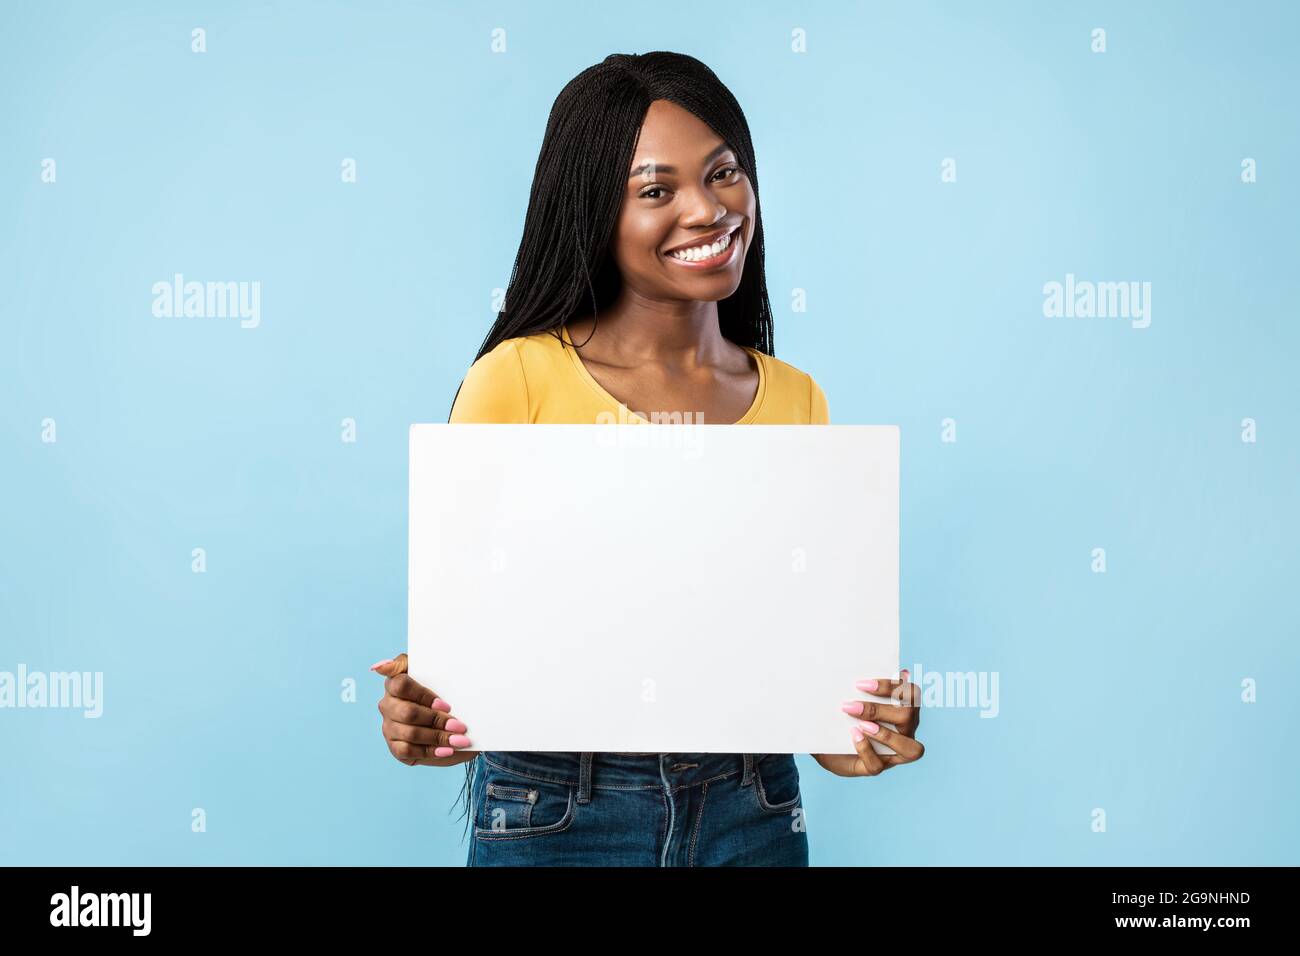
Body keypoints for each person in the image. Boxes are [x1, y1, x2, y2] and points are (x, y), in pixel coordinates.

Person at [373, 51, 924, 866]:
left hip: (753, 806)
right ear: (594, 211)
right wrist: (422, 716)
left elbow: (800, 685)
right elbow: (460, 668)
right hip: (558, 810)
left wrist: (863, 732)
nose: (709, 210)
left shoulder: (799, 400)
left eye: (725, 173)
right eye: (657, 190)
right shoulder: (515, 381)